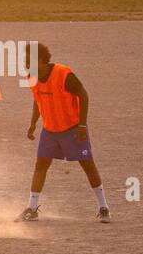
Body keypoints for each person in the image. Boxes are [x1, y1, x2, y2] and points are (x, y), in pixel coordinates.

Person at [19, 43, 110, 224]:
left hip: (72, 129)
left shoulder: (63, 74)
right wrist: (33, 123)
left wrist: (82, 125)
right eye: (25, 59)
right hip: (50, 130)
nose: (25, 62)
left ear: (42, 61)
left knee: (88, 165)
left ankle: (103, 207)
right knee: (40, 166)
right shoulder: (31, 76)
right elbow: (37, 100)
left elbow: (83, 95)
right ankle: (32, 208)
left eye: (29, 59)